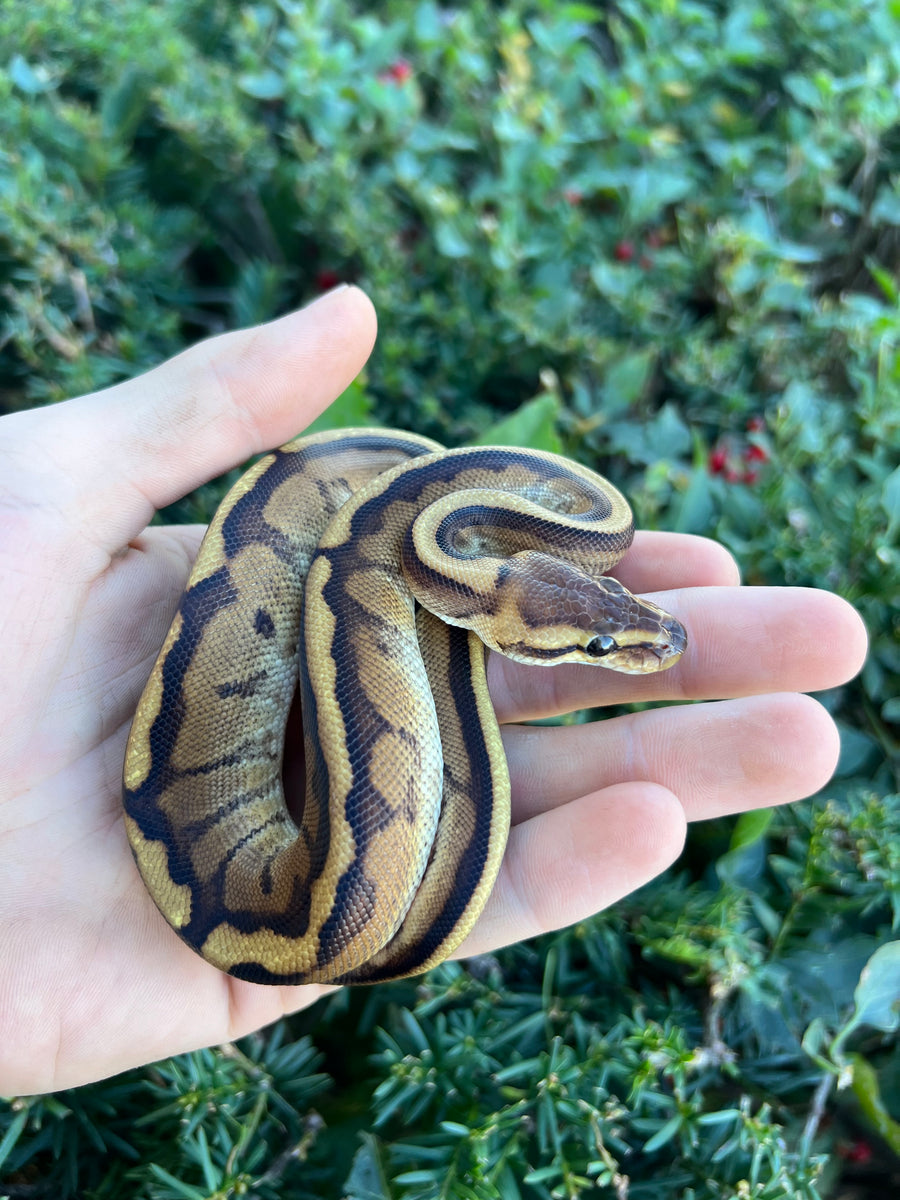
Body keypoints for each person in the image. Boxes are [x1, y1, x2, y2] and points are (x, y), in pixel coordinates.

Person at [0, 286, 867, 1096]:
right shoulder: (435, 550)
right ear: (499, 610)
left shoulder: (449, 539)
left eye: (615, 630)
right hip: (253, 876)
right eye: (607, 645)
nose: (630, 650)